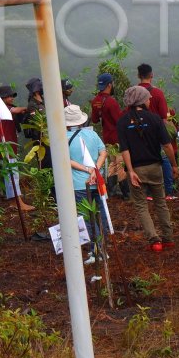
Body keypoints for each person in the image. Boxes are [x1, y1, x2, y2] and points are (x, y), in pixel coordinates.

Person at [116, 86, 177, 251]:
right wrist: (173, 165)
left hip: (136, 169)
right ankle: (168, 238)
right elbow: (167, 145)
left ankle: (154, 240)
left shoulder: (122, 121)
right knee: (160, 203)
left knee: (141, 206)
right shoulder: (155, 119)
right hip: (155, 167)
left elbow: (125, 149)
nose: (150, 100)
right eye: (148, 98)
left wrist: (131, 171)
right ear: (143, 101)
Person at [63, 103, 107, 265]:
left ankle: (95, 251)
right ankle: (103, 249)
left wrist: (87, 169)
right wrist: (96, 170)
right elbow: (103, 152)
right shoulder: (92, 135)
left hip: (79, 184)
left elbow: (66, 160)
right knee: (100, 215)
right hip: (98, 181)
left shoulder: (64, 138)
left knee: (86, 217)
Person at [137, 64, 176, 198]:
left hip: (138, 132)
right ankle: (168, 192)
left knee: (142, 160)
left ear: (138, 75)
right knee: (163, 159)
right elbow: (165, 117)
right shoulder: (157, 93)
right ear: (151, 75)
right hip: (156, 132)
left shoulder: (133, 91)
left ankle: (147, 193)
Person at [0, 85, 33, 211]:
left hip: (8, 145)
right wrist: (28, 108)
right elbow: (15, 111)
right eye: (8, 96)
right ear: (2, 98)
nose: (11, 98)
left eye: (11, 96)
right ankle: (16, 201)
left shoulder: (4, 108)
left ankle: (13, 199)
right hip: (4, 145)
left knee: (10, 172)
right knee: (11, 173)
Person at [90, 73, 127, 199]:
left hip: (106, 136)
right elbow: (119, 121)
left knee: (112, 162)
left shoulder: (95, 101)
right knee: (121, 162)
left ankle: (111, 190)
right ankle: (126, 192)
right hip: (117, 136)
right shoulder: (112, 102)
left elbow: (94, 119)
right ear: (110, 85)